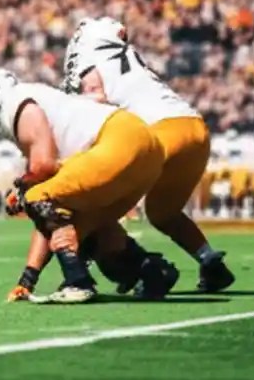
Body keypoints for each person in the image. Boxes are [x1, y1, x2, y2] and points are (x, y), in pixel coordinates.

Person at [0, 67, 172, 304]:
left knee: (36, 198)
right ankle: (152, 271)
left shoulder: (16, 103)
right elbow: (49, 217)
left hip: (120, 141)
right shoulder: (40, 98)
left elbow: (43, 168)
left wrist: (20, 188)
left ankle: (78, 282)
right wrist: (27, 281)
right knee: (88, 230)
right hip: (146, 149)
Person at [60, 17, 235, 292]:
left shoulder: (88, 58)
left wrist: (66, 105)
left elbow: (97, 99)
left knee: (97, 204)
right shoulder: (125, 56)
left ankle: (128, 272)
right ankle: (209, 261)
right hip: (194, 128)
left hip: (160, 132)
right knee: (162, 213)